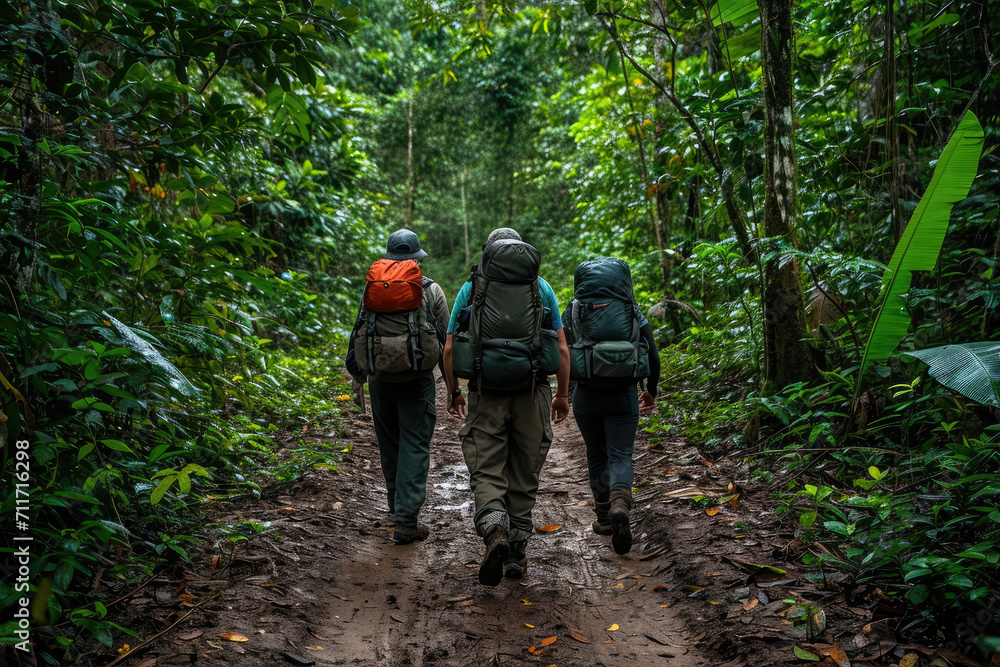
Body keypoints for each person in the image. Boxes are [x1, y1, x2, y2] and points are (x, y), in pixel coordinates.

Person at [443, 227, 570, 585]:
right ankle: (516, 555)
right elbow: (561, 347)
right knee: (524, 471)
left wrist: (454, 392)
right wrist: (562, 395)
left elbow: (450, 348)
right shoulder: (539, 287)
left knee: (487, 468)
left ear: (488, 253)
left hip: (486, 390)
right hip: (533, 389)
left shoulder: (472, 288)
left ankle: (494, 527)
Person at [346, 229, 456, 544]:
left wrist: (358, 375)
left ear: (389, 256)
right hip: (416, 380)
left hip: (379, 379)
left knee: (389, 443)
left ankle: (396, 507)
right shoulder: (431, 290)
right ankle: (406, 521)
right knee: (415, 444)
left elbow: (359, 330)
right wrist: (453, 389)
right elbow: (446, 340)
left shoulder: (372, 286)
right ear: (417, 257)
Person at [565, 257, 659, 555]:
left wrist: (563, 393)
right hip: (624, 395)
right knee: (621, 454)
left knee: (596, 453)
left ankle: (605, 518)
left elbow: (563, 353)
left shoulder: (574, 309)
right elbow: (653, 355)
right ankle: (621, 504)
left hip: (587, 395)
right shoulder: (632, 310)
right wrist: (651, 391)